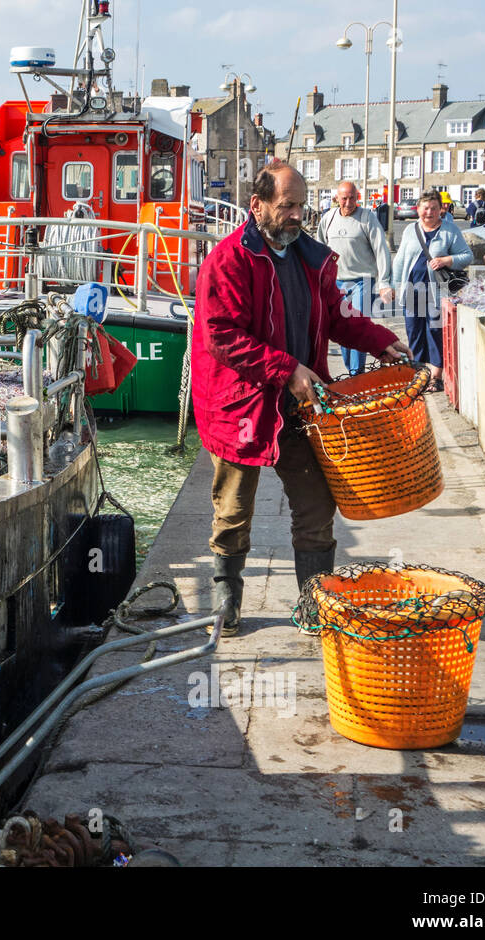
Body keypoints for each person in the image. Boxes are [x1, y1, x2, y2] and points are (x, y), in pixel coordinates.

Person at [192, 161, 411, 636]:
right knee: (233, 511)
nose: (295, 215)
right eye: (286, 205)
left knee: (316, 505)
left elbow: (339, 317)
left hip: (302, 403)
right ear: (258, 205)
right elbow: (219, 335)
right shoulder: (227, 260)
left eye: (301, 206)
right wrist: (286, 368)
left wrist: (379, 339)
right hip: (240, 406)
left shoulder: (313, 258)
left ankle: (316, 604)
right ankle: (225, 598)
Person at [389, 188, 473, 393]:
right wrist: (394, 286)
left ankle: (436, 376)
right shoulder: (411, 230)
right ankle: (419, 374)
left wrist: (446, 260)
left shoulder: (449, 230)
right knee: (415, 332)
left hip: (437, 291)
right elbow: (400, 261)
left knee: (434, 332)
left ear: (440, 210)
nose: (429, 212)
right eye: (426, 208)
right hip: (411, 290)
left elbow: (467, 256)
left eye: (434, 208)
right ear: (418, 209)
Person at [316, 181, 395, 376]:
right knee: (343, 329)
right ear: (337, 199)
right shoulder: (328, 218)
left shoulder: (367, 218)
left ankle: (356, 373)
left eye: (352, 198)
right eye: (344, 198)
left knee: (359, 325)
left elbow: (381, 250)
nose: (348, 202)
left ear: (357, 197)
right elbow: (318, 249)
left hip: (362, 281)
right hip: (337, 282)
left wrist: (384, 282)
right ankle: (350, 368)